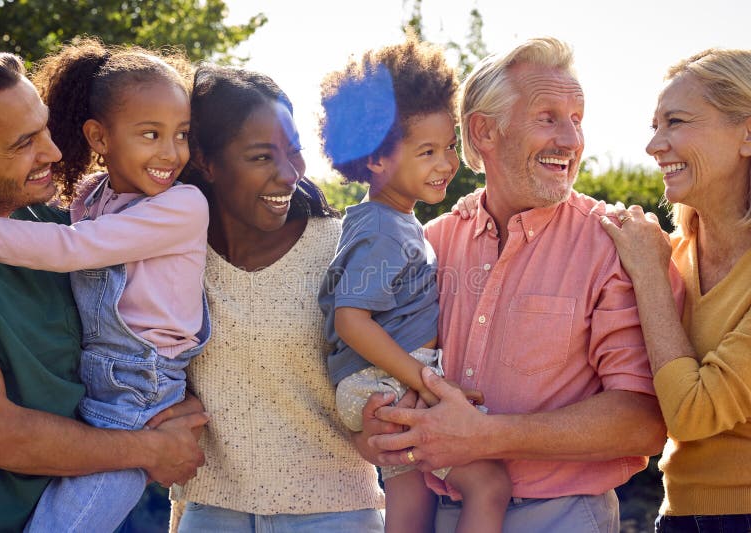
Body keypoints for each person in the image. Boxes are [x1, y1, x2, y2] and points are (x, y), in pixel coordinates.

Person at [362, 36, 669, 533]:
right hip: (437, 514)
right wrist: (385, 418)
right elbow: (390, 372)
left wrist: (485, 436)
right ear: (485, 131)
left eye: (577, 118)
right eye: (548, 117)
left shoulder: (614, 244)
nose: (570, 141)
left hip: (565, 518)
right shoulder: (427, 245)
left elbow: (644, 421)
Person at [0, 44, 207, 532]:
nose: (54, 151)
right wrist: (150, 448)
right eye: (24, 142)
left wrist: (185, 402)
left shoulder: (55, 224)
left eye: (45, 128)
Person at [168, 64, 385, 532]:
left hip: (336, 514)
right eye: (262, 157)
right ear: (205, 160)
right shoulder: (176, 256)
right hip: (212, 511)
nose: (288, 175)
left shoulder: (343, 250)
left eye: (294, 153)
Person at [317, 38, 511, 533]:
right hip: (386, 381)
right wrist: (427, 382)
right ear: (376, 157)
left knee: (410, 494)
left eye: (449, 147)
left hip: (378, 381)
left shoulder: (392, 223)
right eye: (427, 151)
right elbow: (350, 319)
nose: (446, 164)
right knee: (488, 485)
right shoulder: (383, 230)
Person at [600, 48, 751, 532]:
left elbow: (692, 413)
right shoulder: (674, 255)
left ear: (748, 132)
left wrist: (647, 276)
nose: (653, 146)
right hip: (680, 514)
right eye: (654, 125)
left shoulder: (654, 267)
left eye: (677, 122)